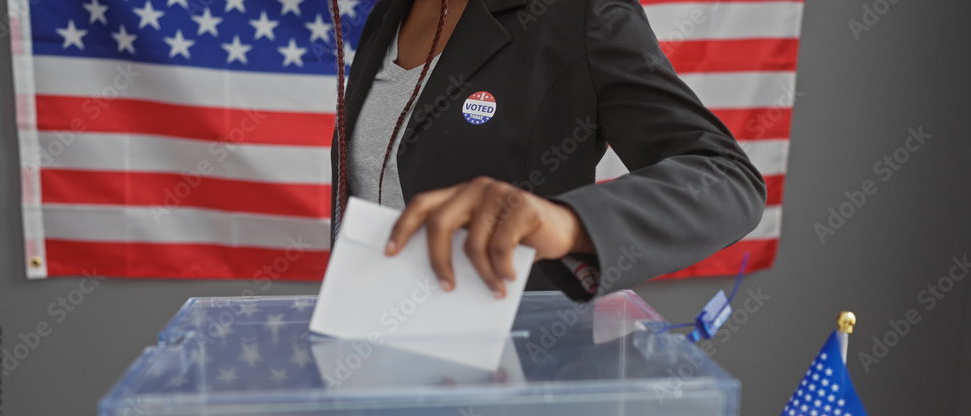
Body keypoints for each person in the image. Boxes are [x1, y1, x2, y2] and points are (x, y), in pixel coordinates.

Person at [329, 0, 767, 302]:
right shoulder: (390, 13)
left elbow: (726, 178)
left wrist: (568, 221)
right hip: (369, 368)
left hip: (511, 383)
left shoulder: (579, 13)